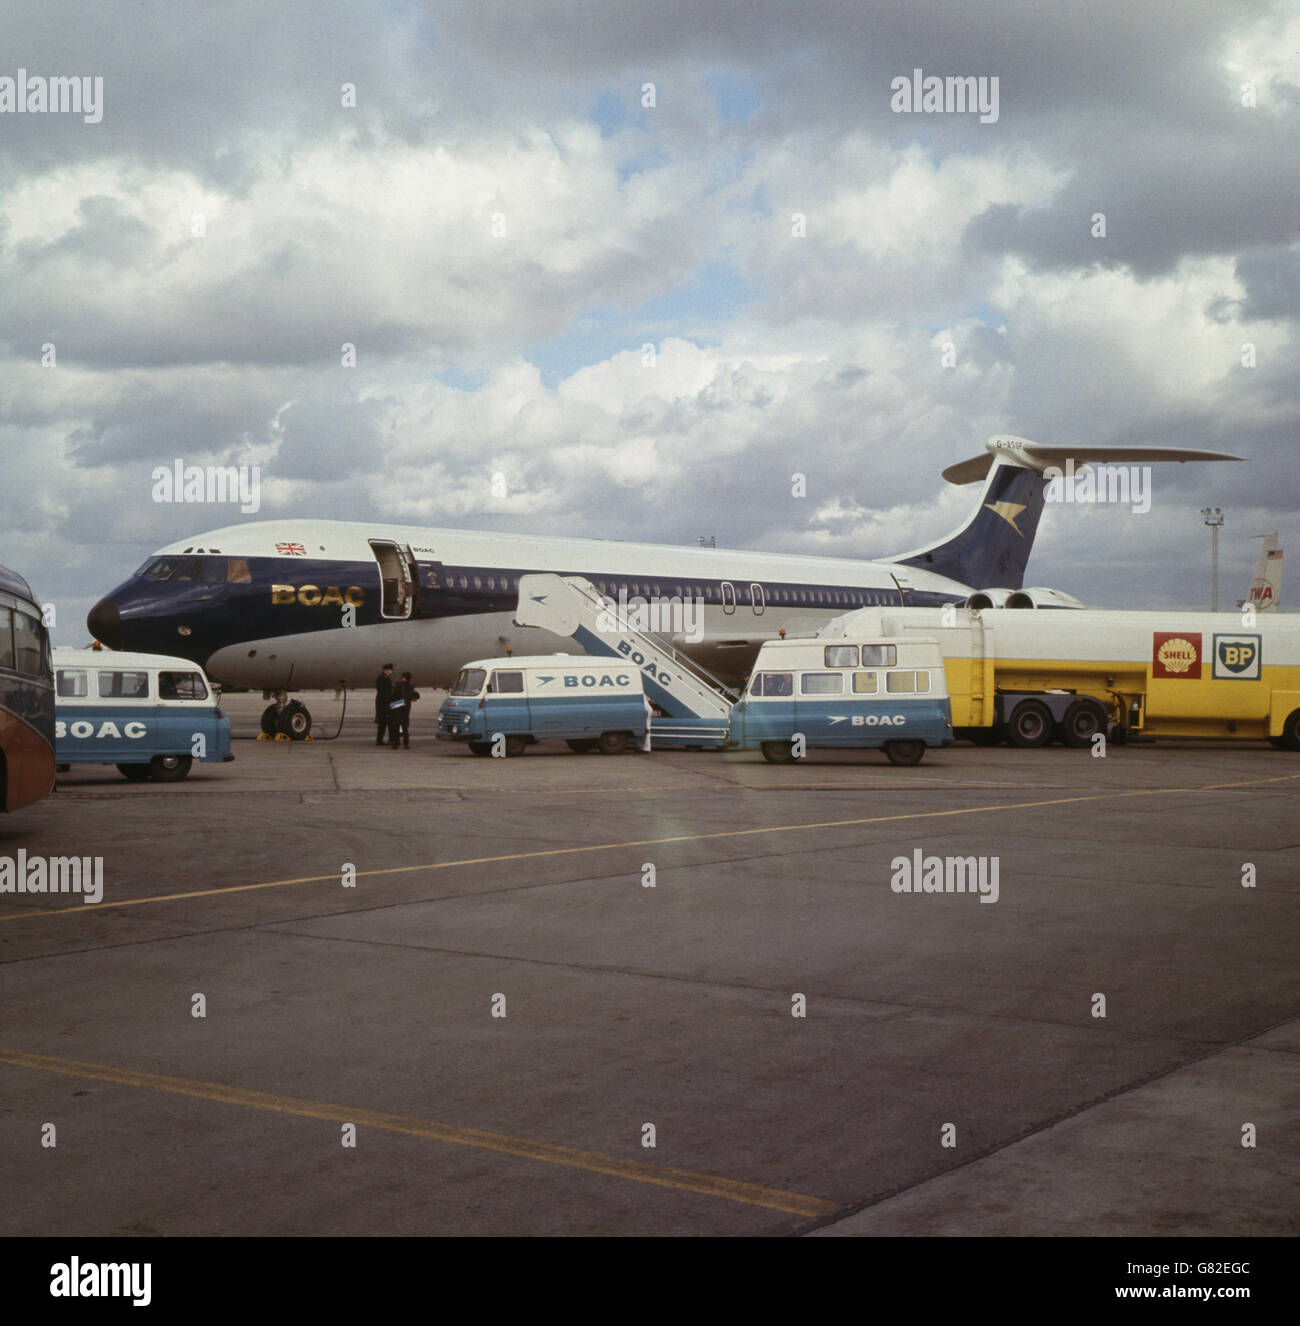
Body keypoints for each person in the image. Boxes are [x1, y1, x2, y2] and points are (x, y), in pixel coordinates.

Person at [389, 671, 420, 749]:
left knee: (396, 726)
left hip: (398, 708)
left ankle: (396, 743)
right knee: (405, 727)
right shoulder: (411, 686)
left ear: (404, 678)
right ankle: (406, 744)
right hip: (406, 708)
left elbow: (394, 696)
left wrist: (390, 705)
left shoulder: (399, 686)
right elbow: (413, 696)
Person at [374, 663, 395, 745]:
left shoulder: (383, 677)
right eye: (390, 669)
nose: (391, 671)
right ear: (386, 670)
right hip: (384, 704)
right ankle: (380, 741)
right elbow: (385, 693)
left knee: (383, 723)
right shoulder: (384, 678)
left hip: (382, 703)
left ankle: (380, 740)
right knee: (383, 723)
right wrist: (389, 705)